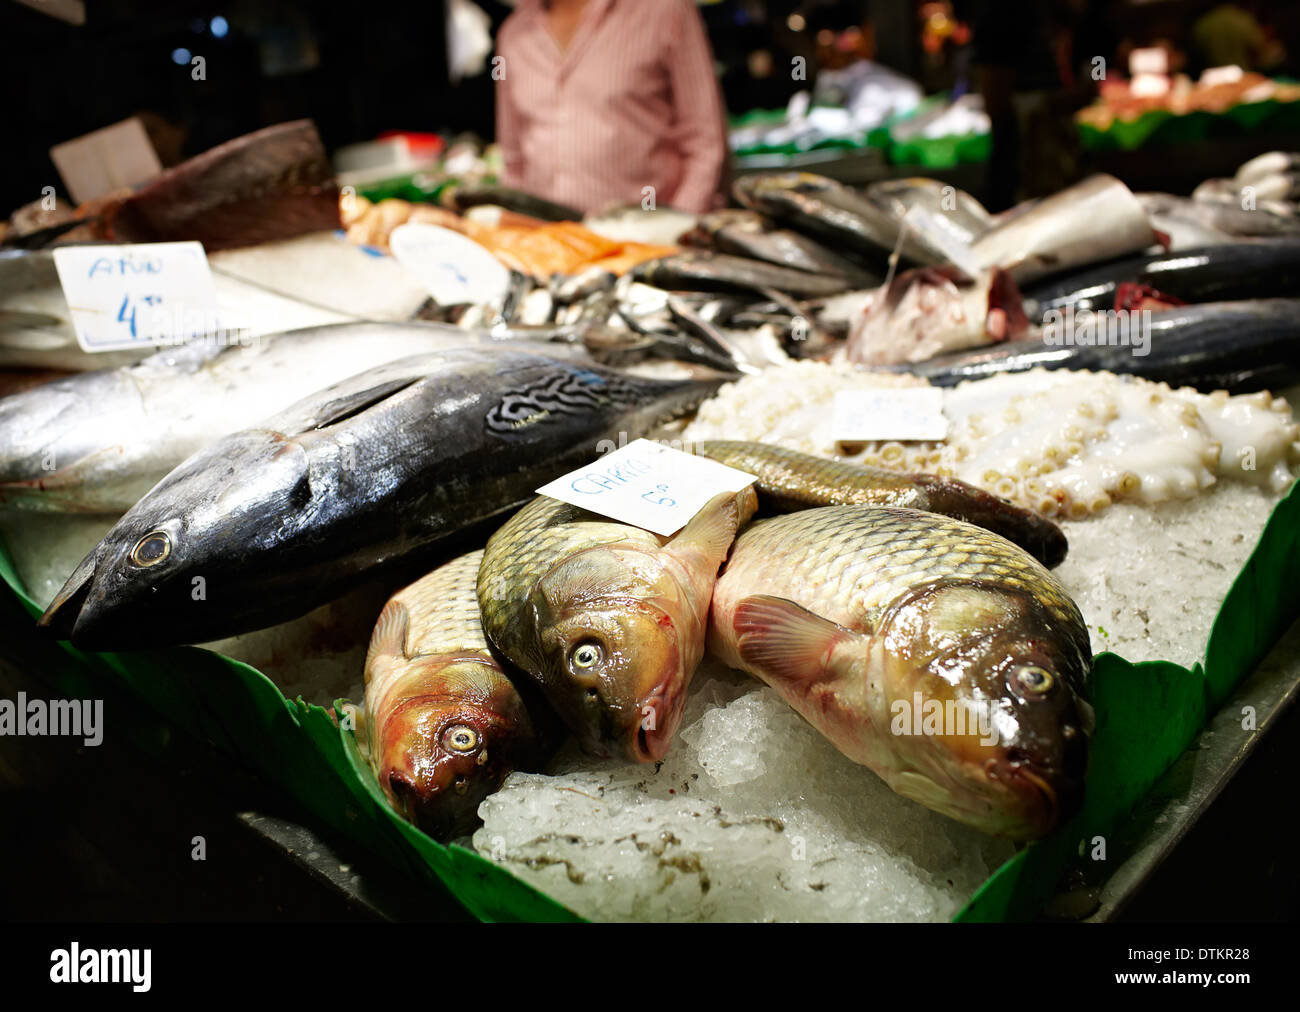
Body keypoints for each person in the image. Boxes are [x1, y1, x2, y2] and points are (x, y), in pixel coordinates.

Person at [494, 0, 728, 214]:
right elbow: (513, 160)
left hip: (648, 238)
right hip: (547, 242)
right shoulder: (513, 34)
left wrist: (680, 228)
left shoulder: (665, 11)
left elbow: (706, 141)